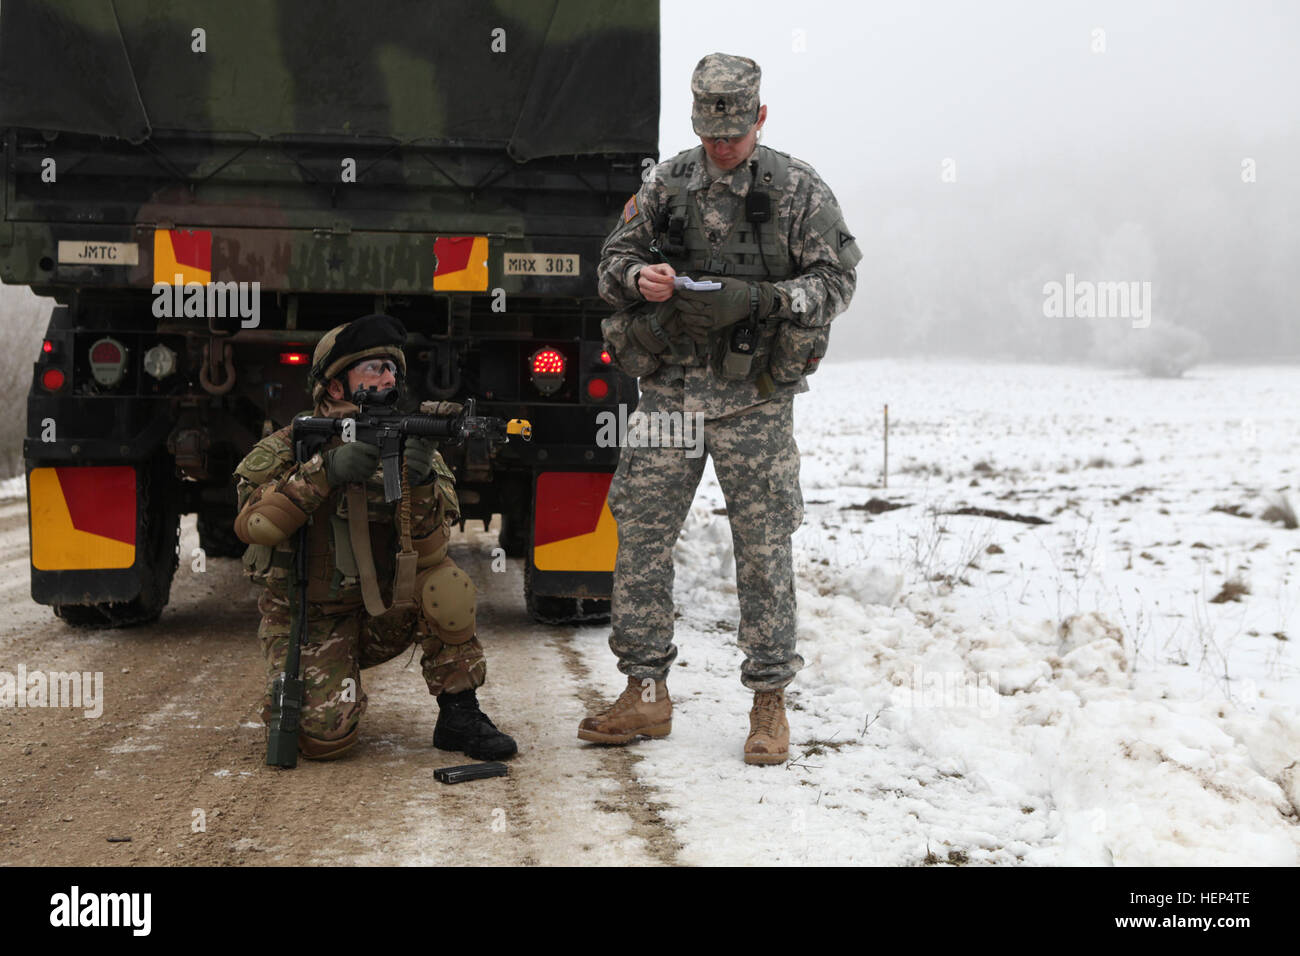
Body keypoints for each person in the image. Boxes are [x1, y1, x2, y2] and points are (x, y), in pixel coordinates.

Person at [579, 53, 860, 764]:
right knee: (640, 534)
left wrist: (766, 300)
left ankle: (769, 706)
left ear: (760, 117)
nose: (723, 147)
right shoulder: (666, 184)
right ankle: (644, 693)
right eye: (711, 135)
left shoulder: (798, 189)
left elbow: (837, 280)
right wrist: (639, 277)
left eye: (734, 134)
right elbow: (610, 262)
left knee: (763, 552)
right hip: (671, 393)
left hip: (753, 403)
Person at [233, 313, 516, 761]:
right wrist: (324, 472)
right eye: (372, 368)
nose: (387, 377)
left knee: (446, 585)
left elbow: (431, 550)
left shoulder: (407, 444)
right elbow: (255, 525)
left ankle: (460, 713)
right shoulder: (289, 447)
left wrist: (418, 478)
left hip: (385, 613)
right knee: (324, 742)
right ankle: (328, 688)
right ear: (335, 385)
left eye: (391, 369)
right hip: (312, 619)